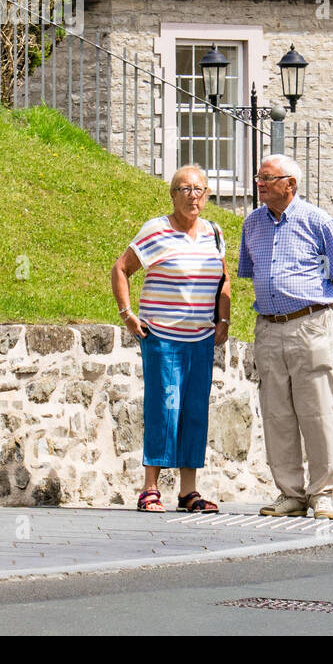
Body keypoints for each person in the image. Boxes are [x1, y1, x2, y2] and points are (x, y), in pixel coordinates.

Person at [238, 154, 333, 520]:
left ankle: (322, 494)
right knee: (276, 414)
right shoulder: (252, 224)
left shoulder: (318, 221)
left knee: (317, 412)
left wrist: (315, 310)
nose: (260, 183)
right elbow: (248, 271)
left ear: (290, 184)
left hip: (310, 325)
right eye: (259, 177)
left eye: (268, 178)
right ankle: (290, 494)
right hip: (269, 327)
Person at [111, 164, 230, 514]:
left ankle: (188, 492)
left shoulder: (214, 232)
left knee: (194, 411)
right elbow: (121, 269)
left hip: (201, 337)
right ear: (172, 195)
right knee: (165, 407)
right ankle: (150, 488)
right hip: (162, 336)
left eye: (199, 190)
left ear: (207, 196)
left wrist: (223, 318)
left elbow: (223, 278)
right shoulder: (156, 231)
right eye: (184, 189)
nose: (192, 196)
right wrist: (127, 315)